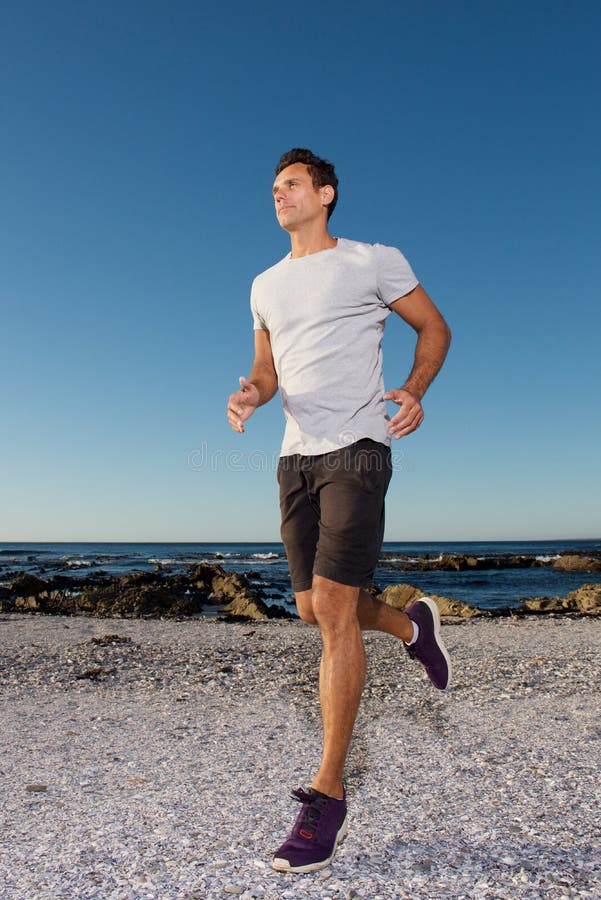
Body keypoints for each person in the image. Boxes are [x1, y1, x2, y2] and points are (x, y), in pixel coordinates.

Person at [227, 148, 452, 874]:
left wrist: (415, 388)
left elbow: (434, 328)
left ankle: (327, 796)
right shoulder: (263, 284)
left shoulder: (371, 260)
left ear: (324, 193)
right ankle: (407, 624)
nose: (278, 196)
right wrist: (250, 395)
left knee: (329, 604)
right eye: (272, 189)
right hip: (295, 456)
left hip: (357, 446)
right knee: (311, 608)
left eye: (290, 185)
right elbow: (266, 369)